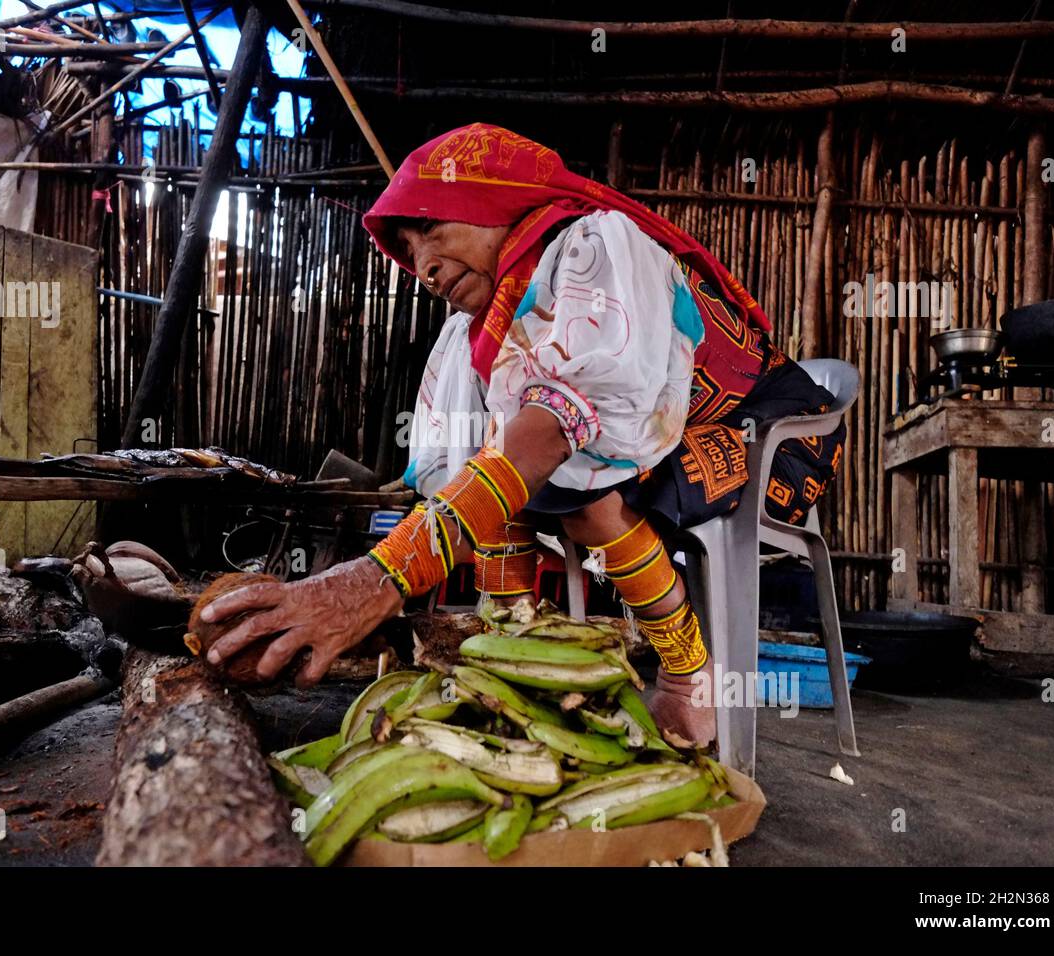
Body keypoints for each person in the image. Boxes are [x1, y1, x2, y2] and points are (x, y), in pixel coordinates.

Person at [198, 123, 844, 747]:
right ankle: (510, 667)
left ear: (491, 197)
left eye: (429, 227)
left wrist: (376, 579)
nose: (422, 266)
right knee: (502, 498)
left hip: (772, 436)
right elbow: (494, 465)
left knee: (589, 502)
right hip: (663, 445)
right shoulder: (482, 329)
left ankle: (686, 677)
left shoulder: (597, 249)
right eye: (407, 251)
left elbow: (554, 430)